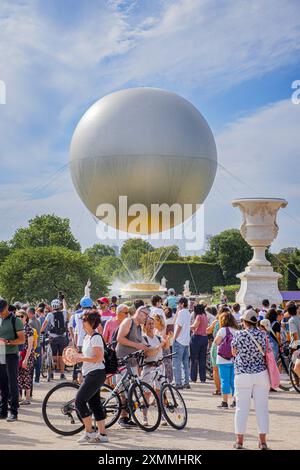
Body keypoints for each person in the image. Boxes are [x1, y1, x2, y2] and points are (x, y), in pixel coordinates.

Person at [231, 308, 270, 450]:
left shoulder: (239, 334)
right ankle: (263, 441)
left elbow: (233, 352)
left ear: (244, 322)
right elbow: (267, 352)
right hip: (261, 373)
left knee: (241, 409)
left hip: (242, 374)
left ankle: (240, 441)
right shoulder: (262, 335)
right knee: (262, 408)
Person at [74, 311, 108, 444]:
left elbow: (99, 358)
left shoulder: (96, 337)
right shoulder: (87, 337)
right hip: (91, 373)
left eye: (84, 320)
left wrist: (80, 357)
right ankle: (103, 434)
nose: (82, 322)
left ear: (91, 322)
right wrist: (80, 371)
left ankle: (89, 432)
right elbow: (87, 358)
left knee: (79, 401)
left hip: (96, 373)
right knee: (95, 404)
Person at [116, 305, 150, 428]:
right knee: (124, 391)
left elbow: (137, 342)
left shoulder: (139, 327)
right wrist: (138, 345)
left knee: (132, 390)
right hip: (123, 360)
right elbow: (119, 338)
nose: (146, 318)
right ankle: (122, 418)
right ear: (140, 313)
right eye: (146, 315)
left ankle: (127, 416)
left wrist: (143, 344)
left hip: (132, 362)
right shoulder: (128, 321)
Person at [0, 299, 25, 421]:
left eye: (1, 311)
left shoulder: (16, 320)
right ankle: (3, 411)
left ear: (6, 308)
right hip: (1, 354)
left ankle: (13, 411)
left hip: (11, 355)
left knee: (12, 384)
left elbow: (22, 339)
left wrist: (8, 342)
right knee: (2, 384)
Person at [141, 316, 168, 426]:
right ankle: (144, 417)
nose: (151, 326)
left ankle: (162, 416)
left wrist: (167, 340)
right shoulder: (144, 339)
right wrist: (161, 345)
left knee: (160, 392)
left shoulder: (158, 337)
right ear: (145, 326)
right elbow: (149, 353)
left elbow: (166, 346)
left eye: (152, 323)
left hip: (160, 365)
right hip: (149, 367)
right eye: (149, 324)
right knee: (146, 393)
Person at [214, 311, 238, 409]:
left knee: (224, 381)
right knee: (233, 380)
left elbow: (216, 342)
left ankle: (224, 402)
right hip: (233, 358)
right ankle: (236, 401)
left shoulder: (222, 330)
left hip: (223, 359)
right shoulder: (236, 331)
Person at [41, 298, 68, 380]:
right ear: (59, 306)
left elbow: (44, 325)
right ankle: (62, 374)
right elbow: (65, 307)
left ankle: (51, 372)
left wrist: (41, 331)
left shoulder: (49, 315)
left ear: (52, 306)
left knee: (53, 355)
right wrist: (63, 300)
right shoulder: (64, 313)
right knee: (61, 356)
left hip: (53, 337)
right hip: (62, 337)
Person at [17, 310, 35, 405]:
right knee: (18, 376)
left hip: (27, 356)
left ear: (25, 317)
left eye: (21, 316)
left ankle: (27, 399)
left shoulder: (29, 329)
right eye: (18, 316)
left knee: (27, 376)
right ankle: (19, 397)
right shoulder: (18, 328)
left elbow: (30, 346)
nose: (19, 318)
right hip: (19, 355)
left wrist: (26, 359)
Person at [172, 297, 191, 390]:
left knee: (176, 363)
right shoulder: (188, 313)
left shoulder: (181, 313)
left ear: (182, 304)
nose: (177, 305)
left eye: (178, 303)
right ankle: (186, 382)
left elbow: (178, 326)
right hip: (186, 340)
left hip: (179, 340)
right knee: (185, 363)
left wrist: (174, 338)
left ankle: (178, 382)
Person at [190, 304, 208, 383]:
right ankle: (203, 378)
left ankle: (193, 377)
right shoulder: (205, 316)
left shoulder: (199, 316)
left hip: (197, 338)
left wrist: (189, 326)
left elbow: (194, 326)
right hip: (204, 338)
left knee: (194, 358)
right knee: (202, 359)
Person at [27, 307, 41, 385]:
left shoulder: (30, 322)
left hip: (33, 345)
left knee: (31, 363)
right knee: (38, 363)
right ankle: (37, 380)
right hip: (38, 344)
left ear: (30, 313)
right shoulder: (38, 321)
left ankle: (31, 379)